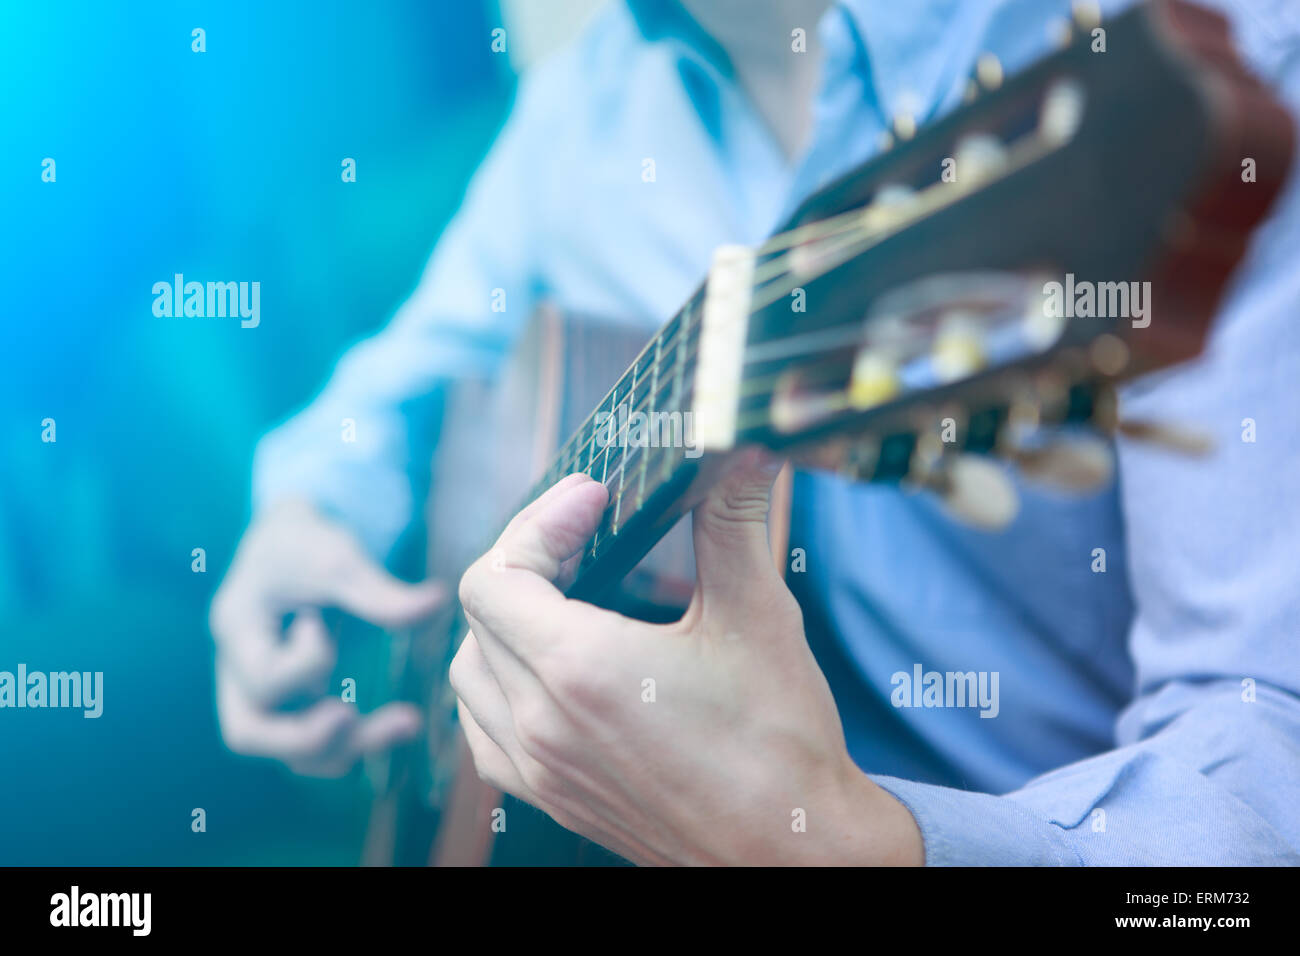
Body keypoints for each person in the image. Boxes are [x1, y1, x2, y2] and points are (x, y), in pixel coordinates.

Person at [213, 0, 1300, 862]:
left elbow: (1265, 741)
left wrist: (853, 848)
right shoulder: (589, 104)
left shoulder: (1205, 67)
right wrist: (303, 510)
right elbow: (406, 372)